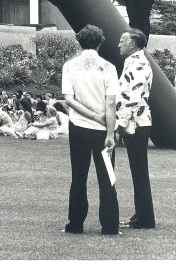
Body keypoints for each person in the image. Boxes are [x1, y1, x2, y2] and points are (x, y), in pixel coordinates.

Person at [61, 24, 119, 235]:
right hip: (103, 128)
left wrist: (89, 115)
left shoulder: (69, 66)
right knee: (107, 178)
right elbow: (110, 103)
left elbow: (69, 99)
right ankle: (110, 225)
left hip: (78, 126)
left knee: (78, 176)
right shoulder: (109, 67)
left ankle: (75, 224)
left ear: (80, 41)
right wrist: (110, 132)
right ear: (100, 42)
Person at [115, 28, 156, 230]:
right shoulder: (136, 61)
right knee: (138, 171)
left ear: (132, 43)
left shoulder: (137, 63)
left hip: (136, 123)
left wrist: (120, 125)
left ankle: (145, 218)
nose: (119, 44)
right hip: (138, 121)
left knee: (139, 171)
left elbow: (132, 98)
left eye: (122, 41)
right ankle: (141, 215)